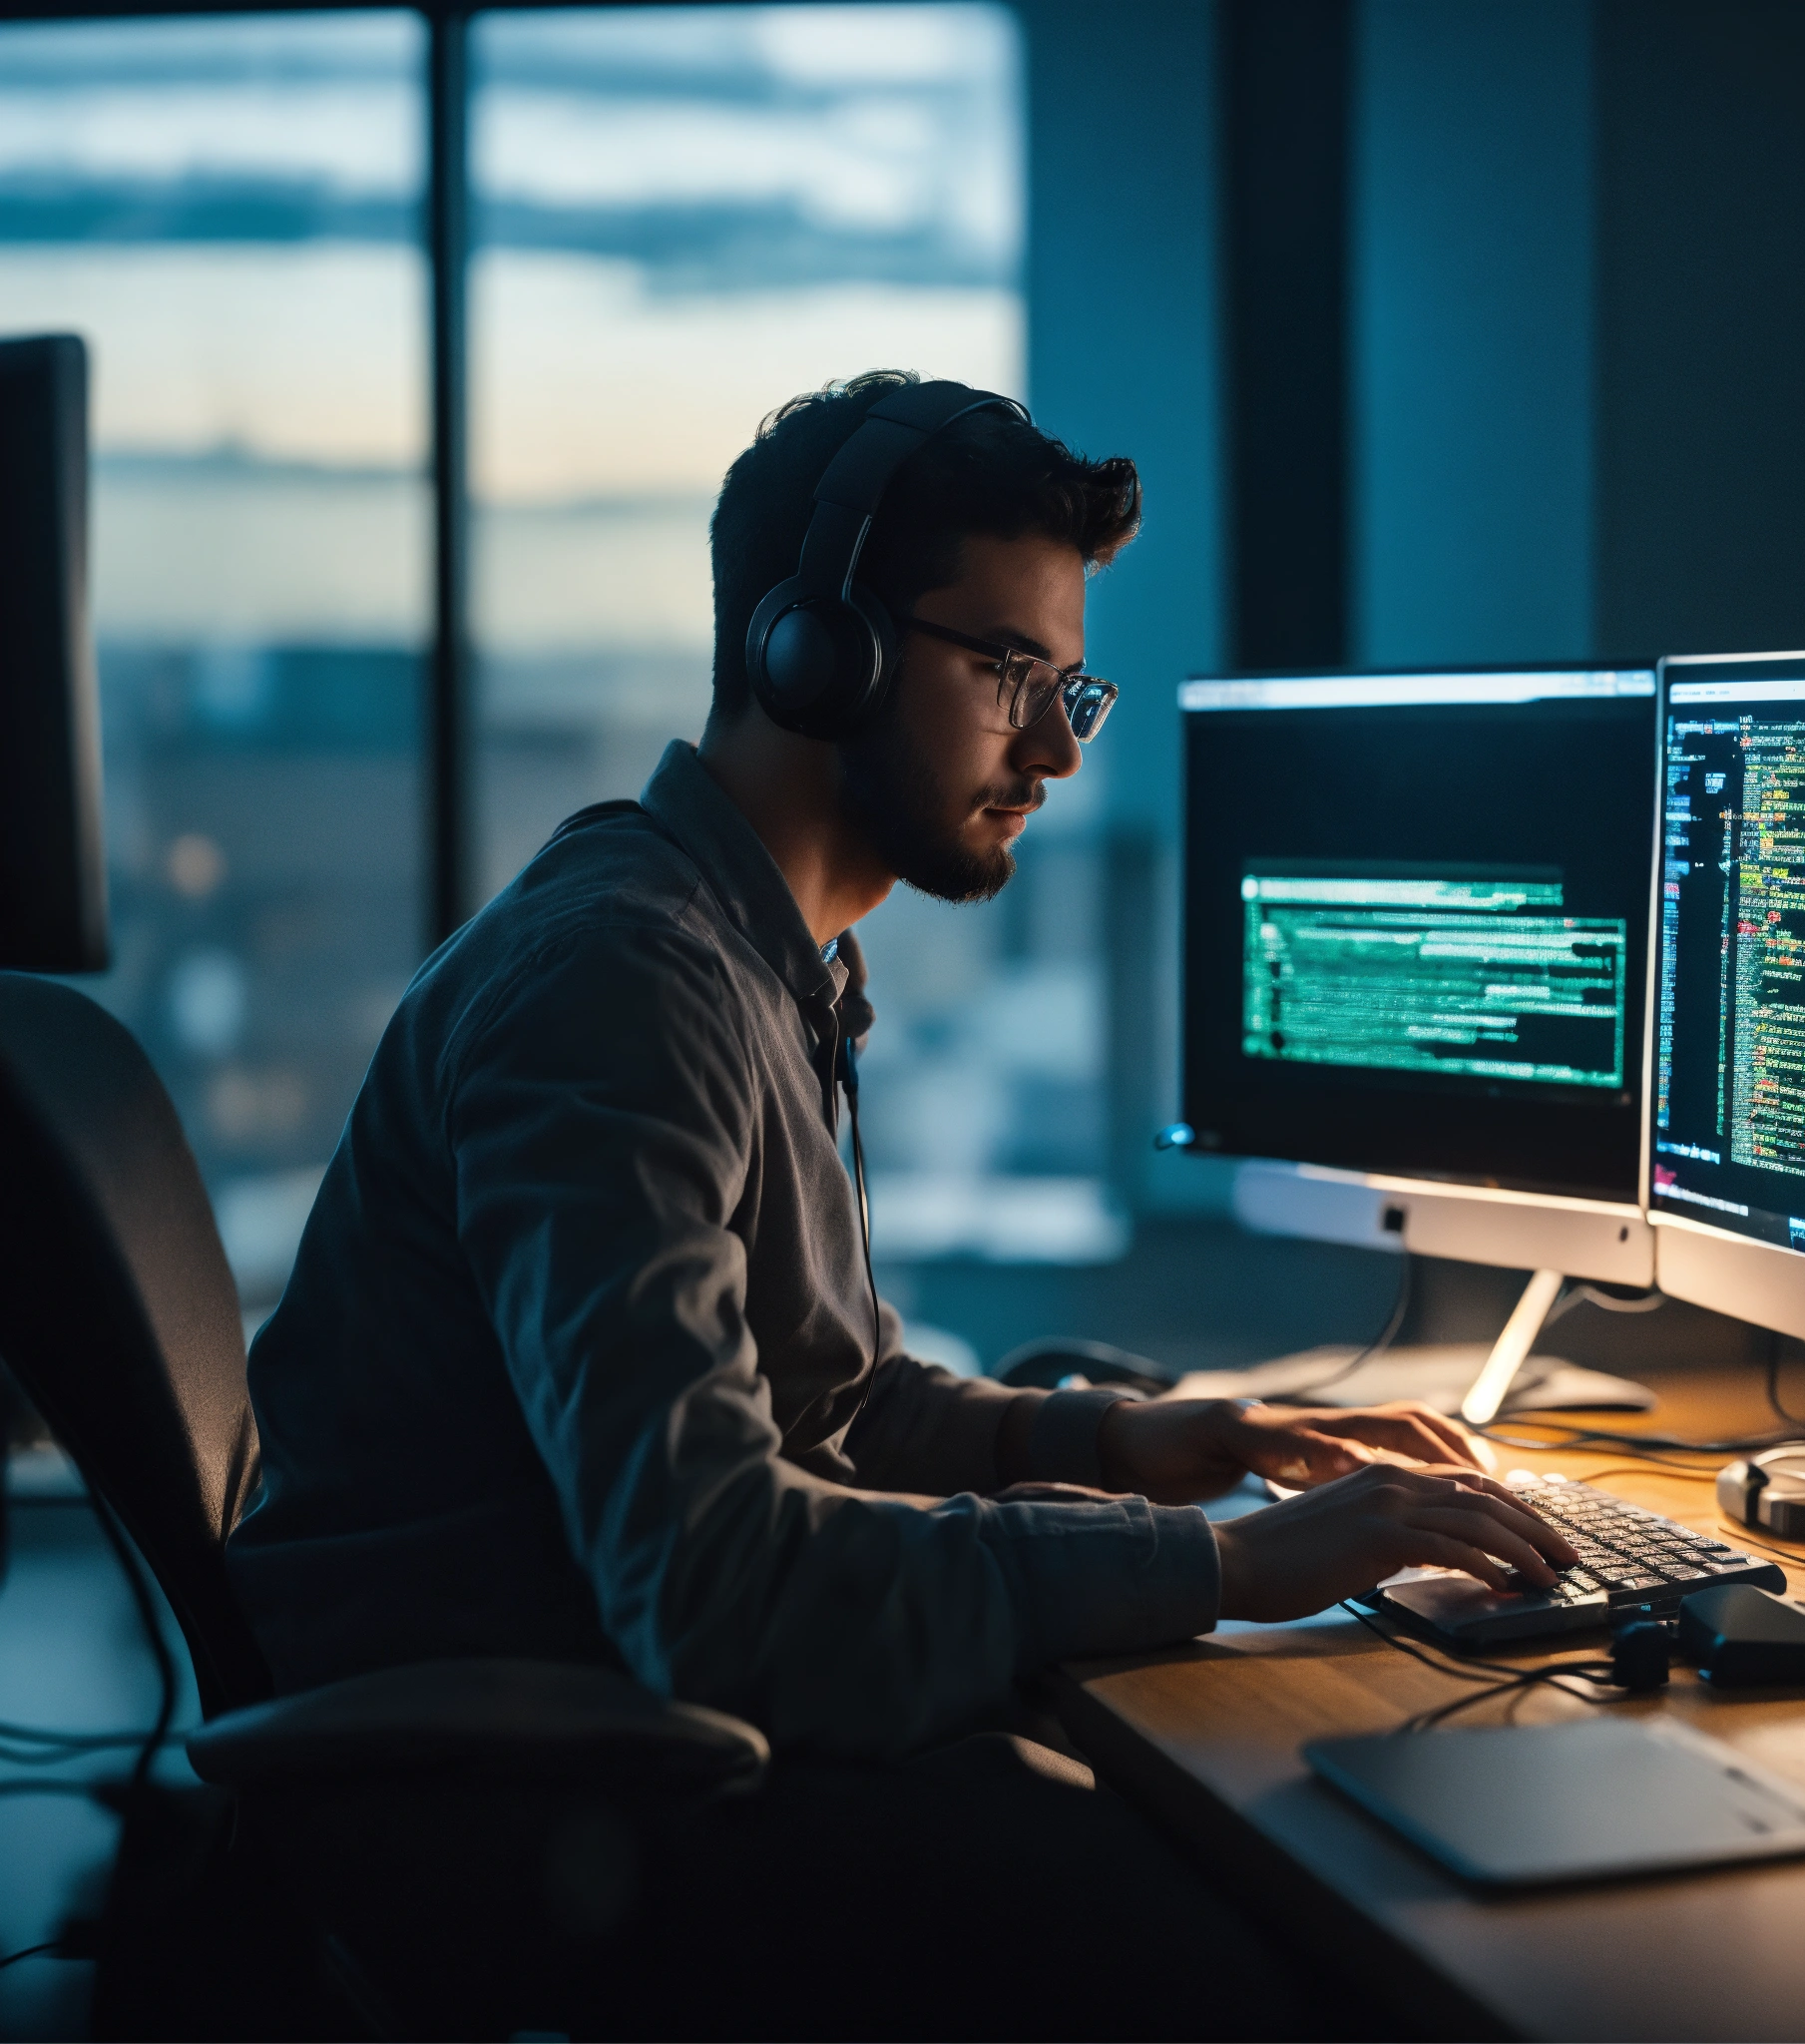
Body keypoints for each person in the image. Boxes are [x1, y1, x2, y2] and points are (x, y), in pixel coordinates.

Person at [224, 372, 1574, 2034]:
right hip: (511, 1812)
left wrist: (1109, 1445)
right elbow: (715, 1592)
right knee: (1296, 1936)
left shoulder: (748, 957)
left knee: (1267, 1832)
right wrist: (1221, 1568)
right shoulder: (622, 994)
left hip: (617, 1714)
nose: (1059, 747)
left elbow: (825, 1401)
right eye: (1011, 672)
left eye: (1075, 686)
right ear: (816, 648)